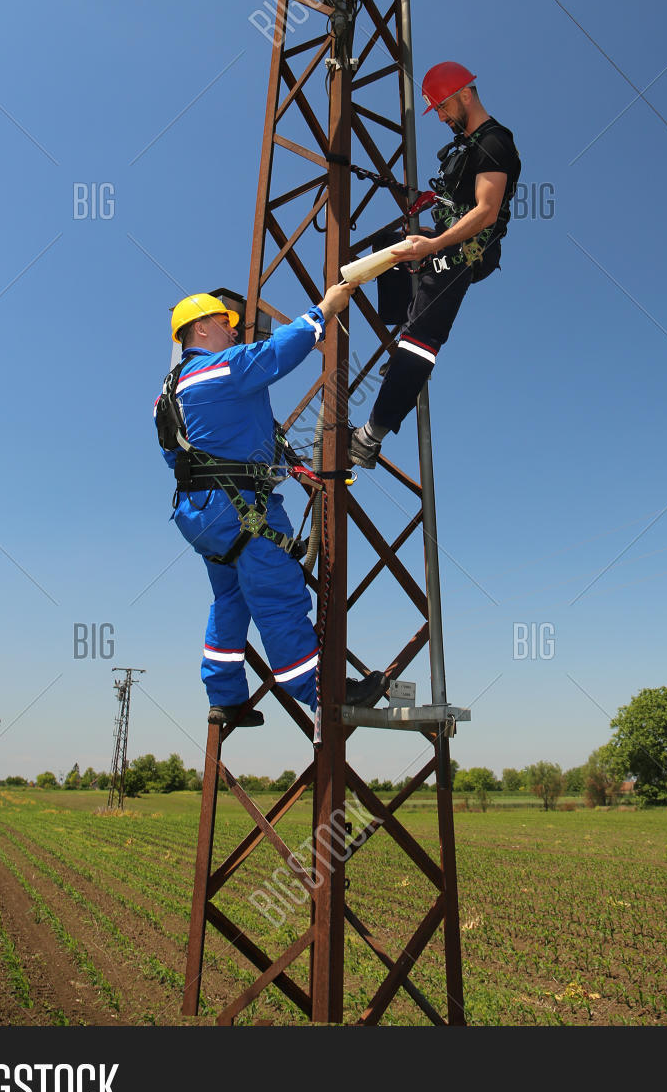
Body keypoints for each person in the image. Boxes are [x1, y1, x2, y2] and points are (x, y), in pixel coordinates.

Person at [156, 287, 389, 725]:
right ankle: (325, 692)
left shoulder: (167, 394)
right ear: (201, 328)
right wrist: (323, 311)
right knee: (279, 593)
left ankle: (225, 699)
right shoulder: (223, 368)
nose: (231, 327)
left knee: (229, 599)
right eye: (223, 322)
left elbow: (181, 455)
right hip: (240, 507)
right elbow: (277, 352)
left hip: (199, 513)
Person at [349, 61, 521, 468]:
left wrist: (434, 245)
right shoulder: (469, 141)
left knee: (421, 342)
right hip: (444, 241)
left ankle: (370, 437)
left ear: (465, 94)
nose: (441, 117)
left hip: (464, 253)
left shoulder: (494, 142)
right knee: (388, 247)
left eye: (442, 108)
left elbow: (486, 211)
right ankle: (406, 338)